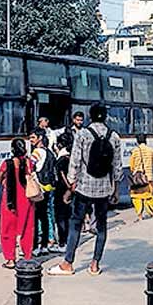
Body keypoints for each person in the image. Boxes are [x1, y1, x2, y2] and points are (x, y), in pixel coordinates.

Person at [48, 104, 122, 276]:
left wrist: (69, 188)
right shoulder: (114, 137)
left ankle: (68, 263)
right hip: (105, 189)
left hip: (84, 188)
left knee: (75, 224)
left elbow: (74, 164)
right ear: (105, 117)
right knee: (101, 227)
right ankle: (95, 264)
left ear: (90, 116)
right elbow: (117, 167)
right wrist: (116, 190)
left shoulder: (82, 135)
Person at [0, 138, 36, 268]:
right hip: (26, 200)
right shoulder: (29, 163)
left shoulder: (7, 164)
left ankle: (10, 259)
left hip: (10, 200)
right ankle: (27, 256)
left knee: (7, 229)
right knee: (27, 229)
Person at [28, 129, 59, 256]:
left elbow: (30, 166)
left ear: (40, 138)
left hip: (38, 189)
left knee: (35, 218)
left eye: (33, 137)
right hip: (48, 188)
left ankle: (35, 247)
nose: (31, 140)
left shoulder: (36, 152)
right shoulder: (49, 152)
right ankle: (45, 246)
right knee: (45, 216)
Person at [52, 131, 74, 248]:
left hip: (62, 190)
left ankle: (62, 242)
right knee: (68, 216)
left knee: (60, 216)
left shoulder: (61, 160)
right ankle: (68, 240)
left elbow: (62, 175)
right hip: (71, 190)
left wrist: (68, 188)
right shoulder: (71, 157)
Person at [128, 133, 153, 220]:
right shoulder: (150, 150)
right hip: (149, 177)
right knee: (149, 196)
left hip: (138, 178)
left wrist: (135, 172)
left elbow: (131, 165)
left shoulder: (135, 151)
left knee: (137, 197)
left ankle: (140, 216)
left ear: (137, 141)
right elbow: (152, 162)